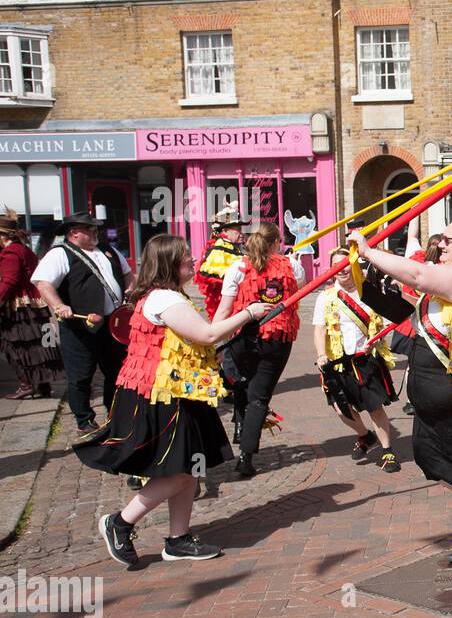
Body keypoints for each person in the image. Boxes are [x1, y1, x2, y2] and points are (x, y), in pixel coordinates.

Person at [77, 235, 270, 567]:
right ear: (168, 264)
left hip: (175, 392)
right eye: (185, 258)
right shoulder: (165, 299)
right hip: (160, 395)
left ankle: (178, 539)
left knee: (190, 465)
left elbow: (208, 330)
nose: (192, 262)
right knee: (180, 470)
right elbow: (209, 335)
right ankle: (120, 522)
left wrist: (231, 295)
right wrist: (249, 313)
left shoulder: (167, 297)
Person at [348, 214, 452, 564]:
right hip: (439, 399)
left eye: (447, 239)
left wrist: (368, 250)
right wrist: (370, 288)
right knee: (432, 458)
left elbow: (418, 275)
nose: (440, 243)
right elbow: (415, 319)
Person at [212, 222, 304, 476]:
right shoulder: (292, 266)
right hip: (277, 339)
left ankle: (241, 428)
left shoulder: (237, 267)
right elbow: (299, 289)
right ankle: (246, 457)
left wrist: (211, 339)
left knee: (243, 381)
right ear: (276, 243)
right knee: (259, 396)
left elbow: (224, 309)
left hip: (244, 334)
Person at [31, 213, 130, 435]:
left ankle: (115, 412)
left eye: (95, 229)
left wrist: (131, 291)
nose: (96, 233)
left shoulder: (108, 250)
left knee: (117, 370)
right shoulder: (59, 254)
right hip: (80, 326)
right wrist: (58, 305)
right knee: (81, 374)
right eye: (90, 229)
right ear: (74, 232)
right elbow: (44, 283)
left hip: (111, 323)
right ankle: (84, 419)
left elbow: (127, 274)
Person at [312, 247, 401, 472]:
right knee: (341, 409)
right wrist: (321, 354)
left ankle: (387, 451)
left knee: (374, 407)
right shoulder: (325, 297)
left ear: (354, 266)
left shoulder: (367, 292)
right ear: (332, 270)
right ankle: (364, 435)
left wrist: (376, 339)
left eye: (346, 265)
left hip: (365, 360)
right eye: (337, 266)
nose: (342, 270)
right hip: (337, 362)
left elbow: (392, 317)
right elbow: (320, 330)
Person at [0, 216, 60, 399]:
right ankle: (42, 384)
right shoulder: (24, 250)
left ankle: (27, 384)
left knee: (16, 347)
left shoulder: (11, 253)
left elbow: (9, 281)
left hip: (21, 309)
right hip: (33, 307)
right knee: (37, 346)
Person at [194, 206, 246, 319]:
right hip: (226, 305)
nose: (242, 233)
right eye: (238, 230)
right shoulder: (220, 249)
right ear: (225, 231)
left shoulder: (231, 246)